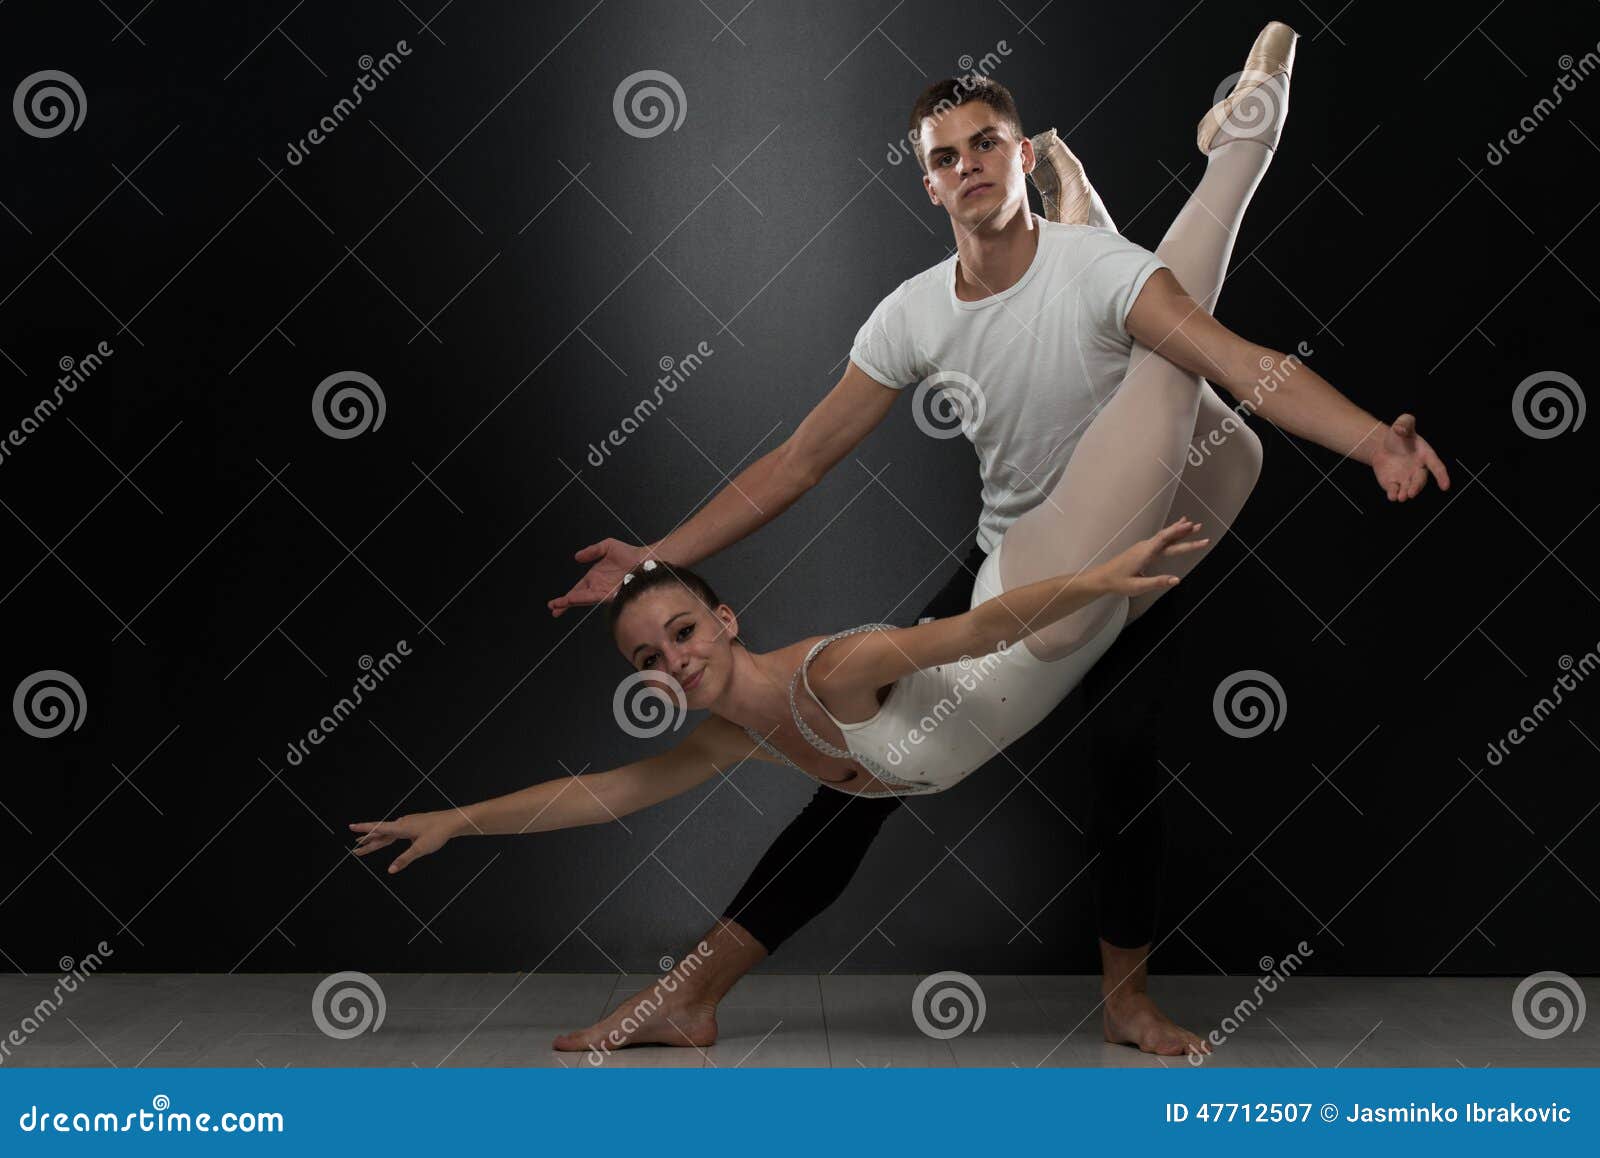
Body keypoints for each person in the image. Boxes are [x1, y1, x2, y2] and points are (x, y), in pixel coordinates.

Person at [351, 21, 1450, 1058]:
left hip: (1123, 521)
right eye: (942, 156)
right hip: (1065, 531)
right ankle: (690, 996)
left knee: (1173, 350)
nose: (965, 165)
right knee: (953, 765)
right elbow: (793, 468)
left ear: (1012, 154)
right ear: (924, 181)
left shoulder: (828, 670)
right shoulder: (911, 317)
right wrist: (468, 805)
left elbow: (1234, 364)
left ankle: (1234, 142)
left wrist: (1366, 444)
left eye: (985, 146)